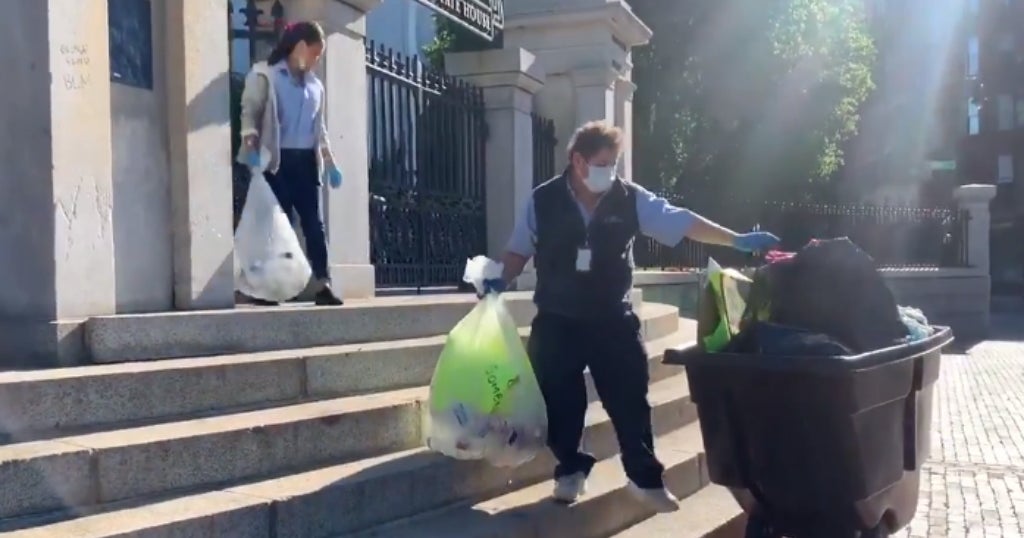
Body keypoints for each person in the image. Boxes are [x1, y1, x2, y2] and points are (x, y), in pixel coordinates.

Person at [486, 121, 779, 513]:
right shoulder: (543, 200)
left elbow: (683, 221)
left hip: (612, 317)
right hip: (558, 317)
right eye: (604, 163)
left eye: (615, 163)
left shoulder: (629, 198)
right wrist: (495, 284)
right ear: (578, 160)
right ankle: (570, 470)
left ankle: (645, 479)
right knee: (558, 401)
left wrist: (735, 240)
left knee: (630, 399)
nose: (611, 171)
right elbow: (518, 251)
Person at [236, 21, 344, 306]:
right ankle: (268, 289)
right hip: (276, 163)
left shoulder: (315, 87)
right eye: (315, 53)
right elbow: (250, 113)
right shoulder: (267, 76)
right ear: (299, 47)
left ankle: (323, 283)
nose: (317, 60)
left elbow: (318, 128)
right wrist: (251, 145)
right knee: (276, 227)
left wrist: (330, 162)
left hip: (306, 164)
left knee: (314, 226)